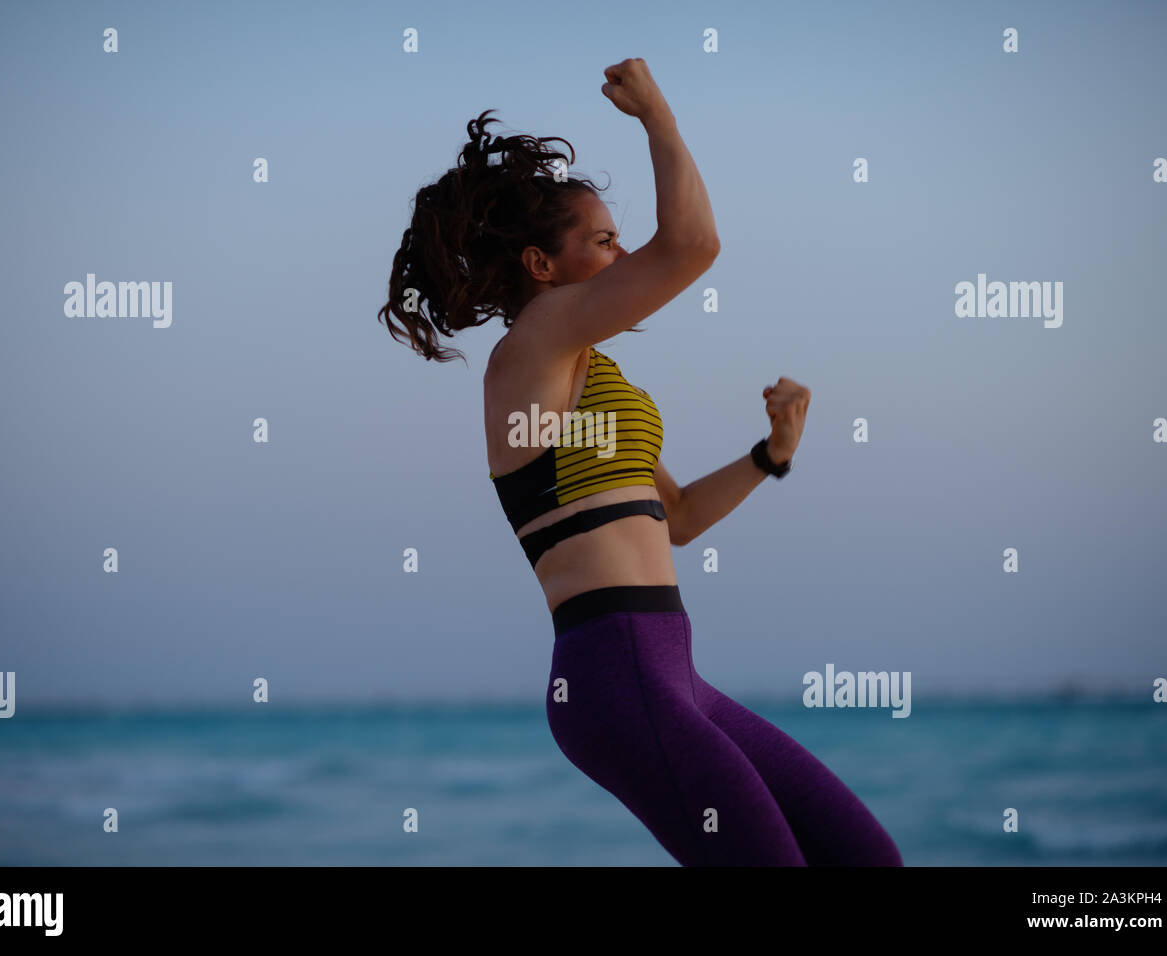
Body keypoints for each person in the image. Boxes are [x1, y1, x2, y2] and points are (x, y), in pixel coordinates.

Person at [377, 58, 902, 866]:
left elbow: (680, 516)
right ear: (539, 268)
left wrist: (772, 455)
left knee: (865, 856)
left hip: (671, 672)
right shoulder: (534, 345)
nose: (624, 258)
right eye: (604, 240)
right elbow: (691, 246)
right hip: (613, 670)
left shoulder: (593, 382)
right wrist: (659, 116)